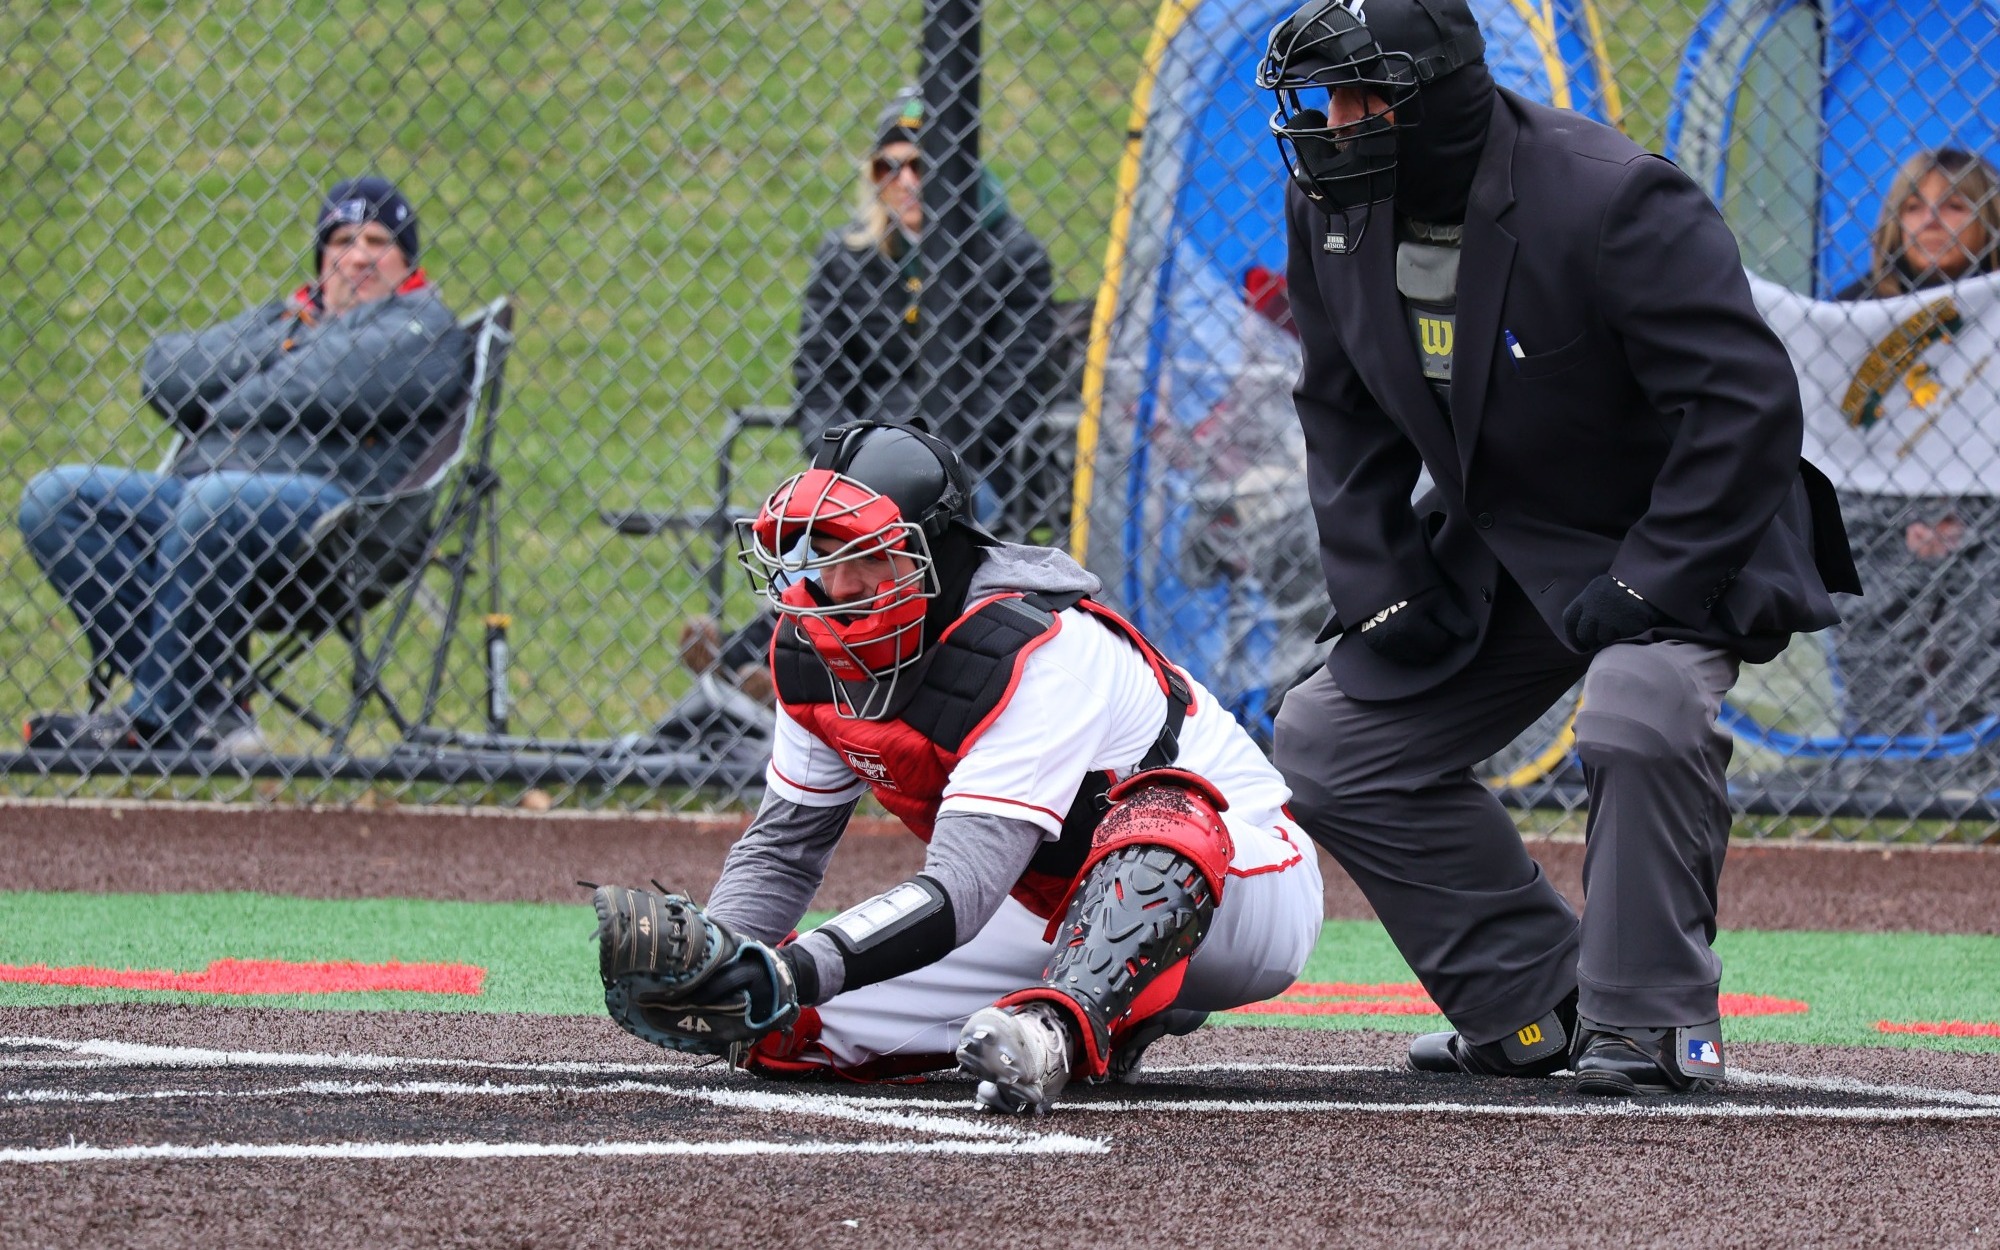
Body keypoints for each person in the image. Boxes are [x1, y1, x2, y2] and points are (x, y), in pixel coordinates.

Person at [1256, 0, 1858, 1096]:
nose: (1331, 125)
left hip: (1682, 526)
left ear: (1434, 100)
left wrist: (1649, 578)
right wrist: (1381, 577)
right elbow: (1336, 407)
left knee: (1638, 711)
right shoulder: (1332, 202)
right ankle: (1533, 1003)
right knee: (1328, 740)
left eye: (1360, 99)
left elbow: (1743, 407)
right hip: (1509, 538)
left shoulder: (1612, 196)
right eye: (1323, 99)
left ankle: (1650, 1021)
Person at [590, 422, 1323, 1114]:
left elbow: (962, 889)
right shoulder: (816, 643)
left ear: (934, 555)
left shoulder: (1035, 651)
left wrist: (790, 965)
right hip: (1046, 903)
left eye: (866, 556)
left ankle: (1059, 1029)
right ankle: (1115, 1005)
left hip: (1245, 888)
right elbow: (783, 851)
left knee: (1162, 812)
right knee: (777, 1024)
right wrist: (725, 960)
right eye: (824, 554)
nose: (837, 588)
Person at [18, 175, 468, 753]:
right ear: (321, 259)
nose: (358, 257)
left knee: (217, 498)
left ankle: (154, 718)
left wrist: (226, 397)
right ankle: (208, 706)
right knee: (54, 499)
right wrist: (281, 350)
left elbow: (326, 386)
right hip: (202, 507)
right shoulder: (282, 322)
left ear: (407, 260)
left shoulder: (422, 327)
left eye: (378, 242)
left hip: (334, 524)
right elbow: (165, 370)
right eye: (341, 242)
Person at [791, 87, 1058, 534]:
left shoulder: (1014, 255)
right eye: (889, 167)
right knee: (802, 543)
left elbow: (1015, 386)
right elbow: (819, 378)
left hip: (974, 464)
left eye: (922, 165)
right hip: (860, 464)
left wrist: (928, 467)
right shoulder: (844, 257)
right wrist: (844, 462)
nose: (906, 182)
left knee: (939, 530)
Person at [1829, 147, 2000, 740]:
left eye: (1953, 206)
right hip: (1875, 522)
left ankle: (1978, 750)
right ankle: (1883, 750)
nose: (1929, 221)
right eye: (1913, 207)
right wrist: (1910, 519)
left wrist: (1959, 518)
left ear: (1988, 219)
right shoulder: (1851, 315)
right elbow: (1835, 446)